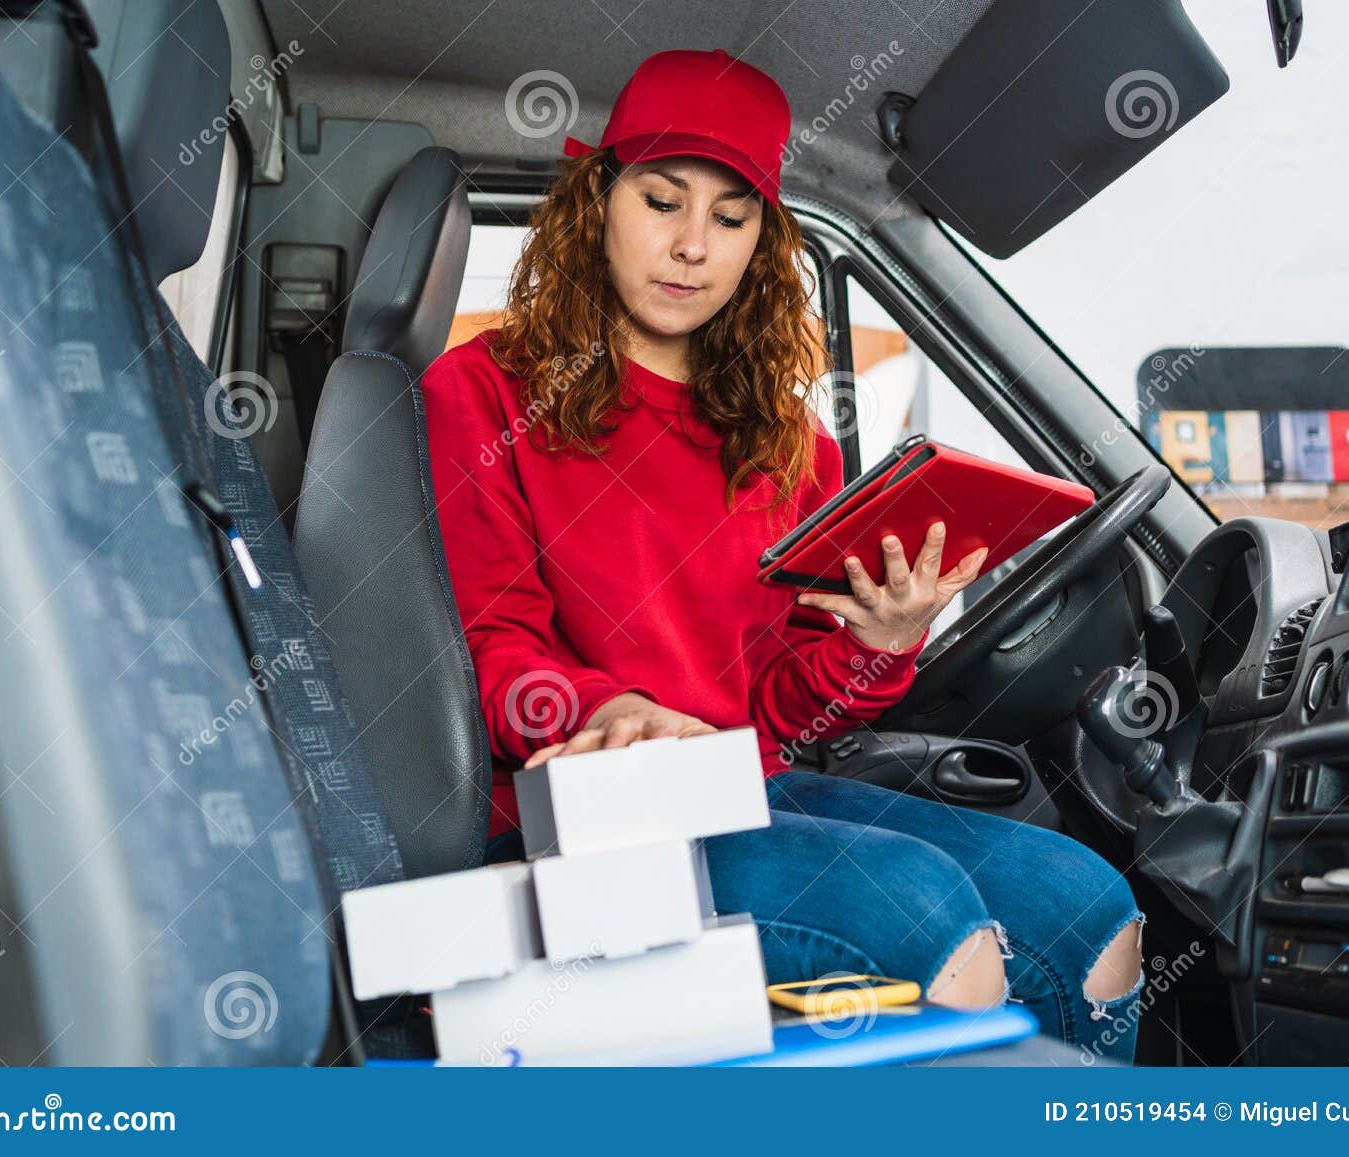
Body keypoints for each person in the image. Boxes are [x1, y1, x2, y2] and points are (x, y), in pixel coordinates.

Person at [421, 47, 1144, 1059]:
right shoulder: (485, 390)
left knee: (1088, 906)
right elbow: (491, 642)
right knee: (931, 922)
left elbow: (786, 708)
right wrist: (608, 709)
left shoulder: (792, 442)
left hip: (749, 786)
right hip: (576, 813)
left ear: (762, 241)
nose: (689, 247)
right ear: (600, 200)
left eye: (729, 218)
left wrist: (883, 641)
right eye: (661, 201)